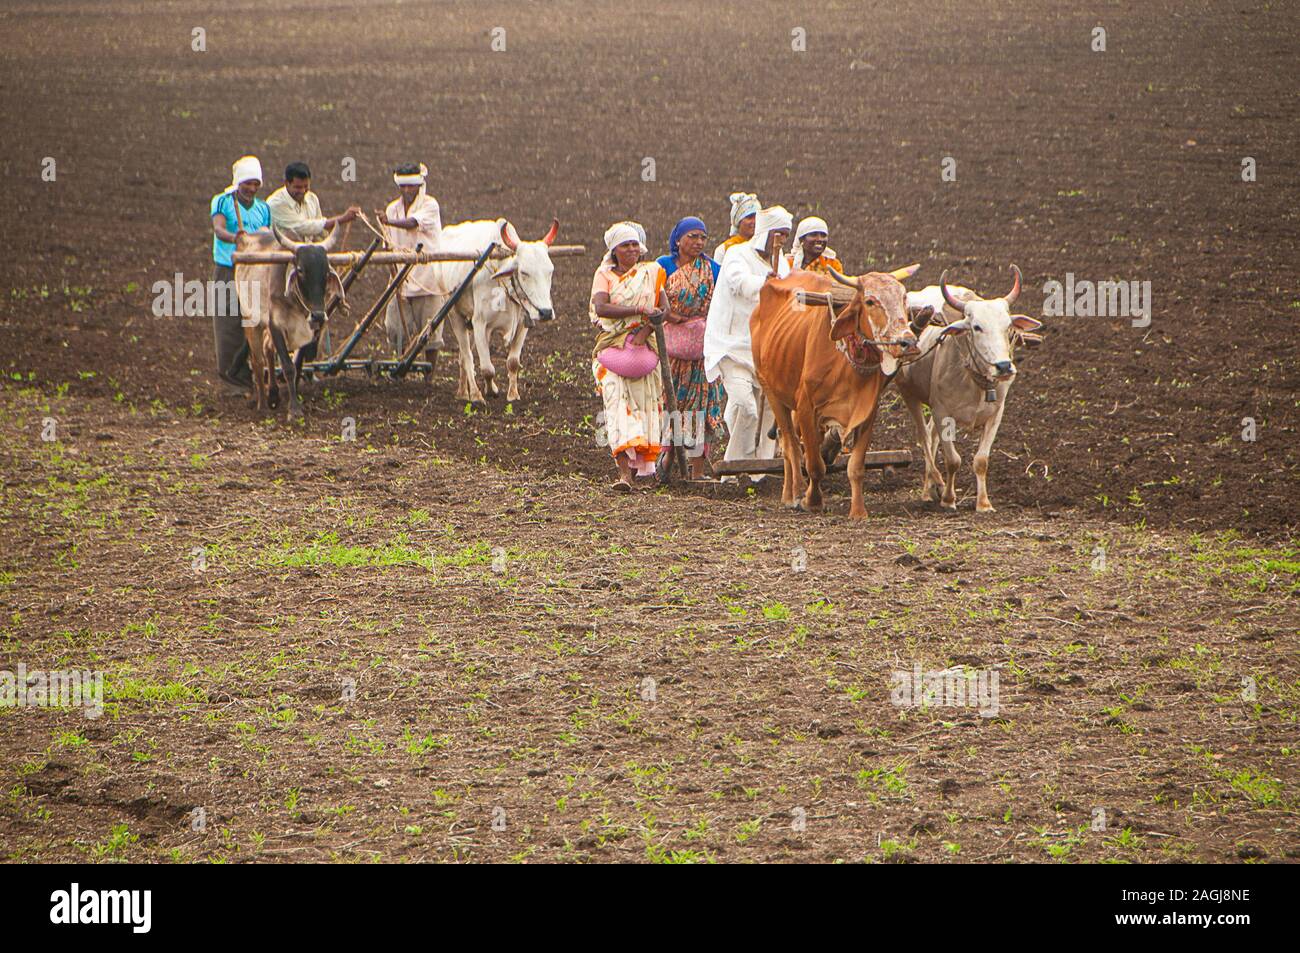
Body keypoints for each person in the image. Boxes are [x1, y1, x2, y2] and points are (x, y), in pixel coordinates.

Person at [704, 205, 793, 475]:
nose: (781, 241)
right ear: (766, 232)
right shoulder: (737, 255)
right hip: (733, 346)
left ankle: (760, 471)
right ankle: (732, 467)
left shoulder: (782, 263)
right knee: (746, 406)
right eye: (778, 234)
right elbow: (738, 283)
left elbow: (788, 292)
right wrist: (766, 281)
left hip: (766, 348)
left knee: (770, 413)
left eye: (786, 236)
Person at [590, 222, 669, 491]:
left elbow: (663, 307)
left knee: (647, 409)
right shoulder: (604, 275)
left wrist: (645, 330)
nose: (632, 249)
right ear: (614, 250)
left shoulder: (651, 273)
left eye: (635, 244)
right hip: (612, 347)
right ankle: (624, 474)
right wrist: (636, 309)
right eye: (626, 245)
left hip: (643, 347)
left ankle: (645, 473)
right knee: (617, 409)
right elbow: (601, 307)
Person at [266, 161, 362, 359]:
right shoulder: (275, 203)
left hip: (311, 261)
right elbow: (305, 227)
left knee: (319, 303)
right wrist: (341, 219)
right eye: (297, 187)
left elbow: (317, 234)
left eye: (306, 187)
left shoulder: (312, 199)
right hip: (287, 259)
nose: (302, 191)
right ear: (286, 183)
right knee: (283, 309)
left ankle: (307, 357)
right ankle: (282, 353)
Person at [656, 217, 724, 479]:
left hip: (703, 354)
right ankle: (669, 457)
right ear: (678, 239)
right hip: (673, 353)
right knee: (674, 406)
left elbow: (722, 302)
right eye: (693, 236)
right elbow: (652, 296)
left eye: (703, 238)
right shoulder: (663, 266)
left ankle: (696, 471)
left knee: (702, 410)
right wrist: (672, 316)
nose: (698, 242)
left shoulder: (712, 269)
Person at [209, 155, 271, 395]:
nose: (252, 188)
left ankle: (258, 373)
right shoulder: (223, 202)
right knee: (229, 321)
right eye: (247, 183)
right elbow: (218, 229)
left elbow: (268, 234)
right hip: (229, 267)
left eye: (256, 184)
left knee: (255, 321)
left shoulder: (263, 208)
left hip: (256, 270)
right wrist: (237, 238)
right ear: (238, 183)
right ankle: (232, 380)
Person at [379, 162, 450, 370]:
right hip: (401, 278)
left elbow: (412, 223)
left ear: (420, 184)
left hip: (428, 278)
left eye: (411, 186)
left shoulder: (430, 205)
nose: (407, 190)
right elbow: (388, 245)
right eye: (403, 186)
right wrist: (394, 277)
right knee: (394, 327)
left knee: (430, 331)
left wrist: (389, 222)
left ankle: (429, 376)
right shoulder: (392, 209)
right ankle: (403, 366)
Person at [712, 191, 759, 263]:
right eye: (749, 217)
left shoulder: (764, 246)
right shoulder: (724, 249)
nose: (754, 221)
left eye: (757, 217)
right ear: (738, 222)